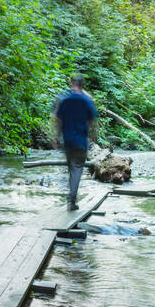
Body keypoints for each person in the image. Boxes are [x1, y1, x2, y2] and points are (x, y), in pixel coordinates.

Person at [53, 75, 98, 210]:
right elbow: (92, 121)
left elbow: (58, 120)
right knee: (77, 169)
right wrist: (93, 137)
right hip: (80, 140)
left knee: (70, 168)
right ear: (83, 85)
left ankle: (71, 196)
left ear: (72, 84)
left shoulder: (65, 100)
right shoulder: (87, 100)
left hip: (68, 140)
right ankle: (72, 199)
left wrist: (56, 137)